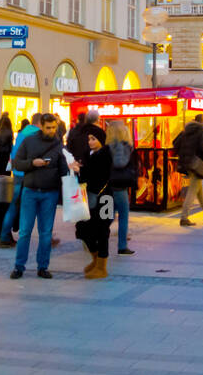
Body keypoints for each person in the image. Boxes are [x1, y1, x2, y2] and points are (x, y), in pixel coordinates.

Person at [10, 113, 77, 278]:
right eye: (48, 128)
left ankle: (43, 266)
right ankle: (19, 266)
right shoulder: (29, 141)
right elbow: (16, 163)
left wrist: (71, 169)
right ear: (41, 125)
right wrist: (32, 163)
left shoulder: (58, 144)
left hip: (50, 193)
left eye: (54, 127)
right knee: (25, 231)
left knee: (46, 232)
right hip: (31, 191)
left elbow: (63, 168)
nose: (51, 131)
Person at [0, 114, 42, 247]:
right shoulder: (37, 135)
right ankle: (41, 236)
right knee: (33, 206)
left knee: (14, 204)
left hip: (17, 172)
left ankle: (4, 235)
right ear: (40, 123)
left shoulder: (22, 133)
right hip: (29, 173)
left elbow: (14, 152)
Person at [77, 130, 114, 279]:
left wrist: (80, 170)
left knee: (102, 231)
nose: (90, 142)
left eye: (93, 139)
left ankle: (101, 266)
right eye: (89, 139)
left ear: (101, 140)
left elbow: (96, 176)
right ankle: (96, 259)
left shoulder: (106, 155)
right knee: (83, 228)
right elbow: (88, 176)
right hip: (92, 196)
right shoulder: (90, 155)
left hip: (106, 198)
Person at [175, 114, 203, 226]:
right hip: (196, 164)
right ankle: (184, 217)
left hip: (187, 163)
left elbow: (175, 143)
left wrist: (184, 155)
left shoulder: (186, 130)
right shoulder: (201, 130)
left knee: (199, 190)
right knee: (192, 191)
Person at [105, 119, 138, 254]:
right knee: (123, 215)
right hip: (121, 186)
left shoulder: (105, 148)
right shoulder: (128, 147)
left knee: (107, 216)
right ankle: (122, 246)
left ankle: (98, 239)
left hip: (107, 187)